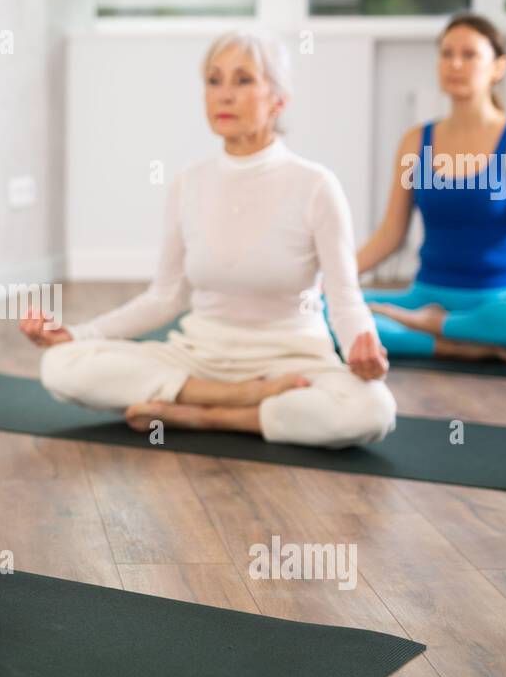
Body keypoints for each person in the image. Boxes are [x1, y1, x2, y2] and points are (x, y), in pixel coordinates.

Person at [20, 29, 396, 449]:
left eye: (244, 80)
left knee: (372, 410)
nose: (225, 94)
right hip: (200, 356)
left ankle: (208, 417)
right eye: (214, 81)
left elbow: (345, 301)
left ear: (279, 100)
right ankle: (241, 400)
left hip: (292, 358)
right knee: (60, 365)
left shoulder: (316, 185)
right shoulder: (188, 183)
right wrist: (78, 335)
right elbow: (164, 298)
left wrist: (364, 349)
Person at [352, 13, 506, 364]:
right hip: (426, 296)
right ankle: (453, 342)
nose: (455, 63)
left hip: (501, 301)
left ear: (498, 67)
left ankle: (435, 327)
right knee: (320, 311)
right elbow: (390, 234)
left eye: (469, 55)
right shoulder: (416, 141)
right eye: (446, 53)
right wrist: (334, 278)